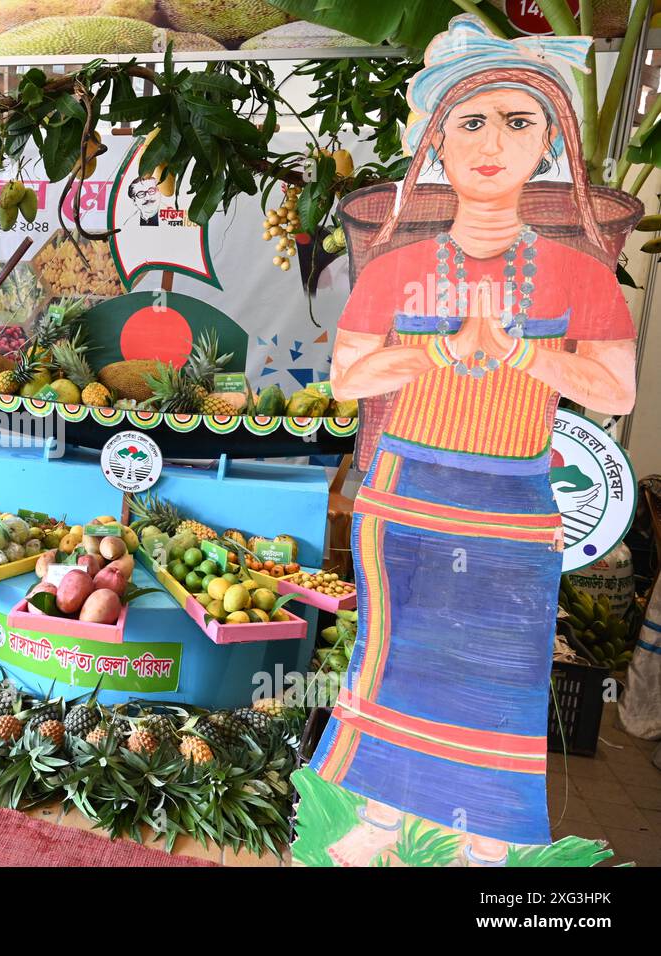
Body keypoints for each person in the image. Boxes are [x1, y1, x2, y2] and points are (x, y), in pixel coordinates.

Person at [296, 15, 638, 866]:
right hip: (405, 494)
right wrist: (438, 350)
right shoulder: (394, 267)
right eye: (471, 122)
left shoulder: (582, 273)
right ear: (436, 144)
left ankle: (487, 836)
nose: (493, 143)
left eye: (519, 122)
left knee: (502, 674)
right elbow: (347, 379)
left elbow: (616, 388)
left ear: (551, 143)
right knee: (393, 655)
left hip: (515, 502)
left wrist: (522, 352)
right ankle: (375, 818)